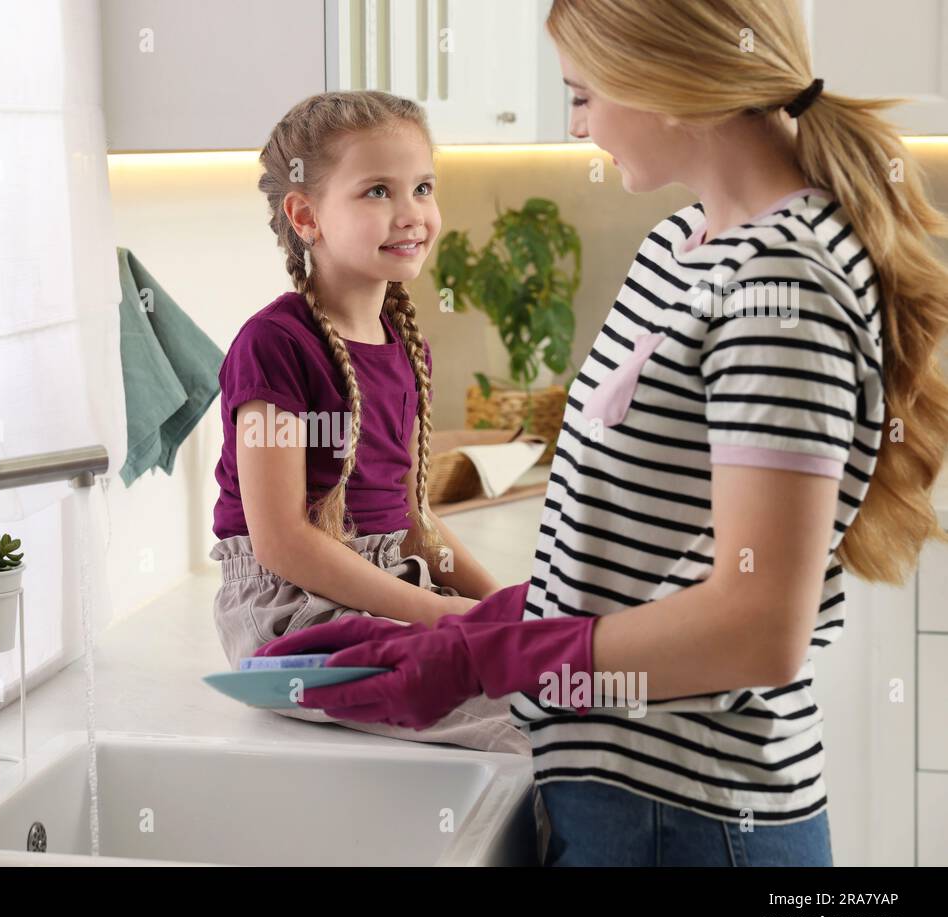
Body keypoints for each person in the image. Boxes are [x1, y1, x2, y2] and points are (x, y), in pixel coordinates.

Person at [259, 0, 948, 866]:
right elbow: (648, 559)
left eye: (583, 94)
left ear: (660, 80)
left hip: (689, 816)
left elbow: (759, 626)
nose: (579, 125)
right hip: (613, 791)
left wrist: (496, 657)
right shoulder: (681, 245)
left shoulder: (780, 283)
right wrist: (479, 624)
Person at [207, 91, 527, 754]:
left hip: (387, 586)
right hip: (291, 611)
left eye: (423, 187)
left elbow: (411, 522)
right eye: (378, 190)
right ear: (305, 215)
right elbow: (283, 543)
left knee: (544, 665)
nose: (411, 214)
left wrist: (502, 607)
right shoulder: (274, 346)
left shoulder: (404, 341)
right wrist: (446, 614)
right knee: (525, 714)